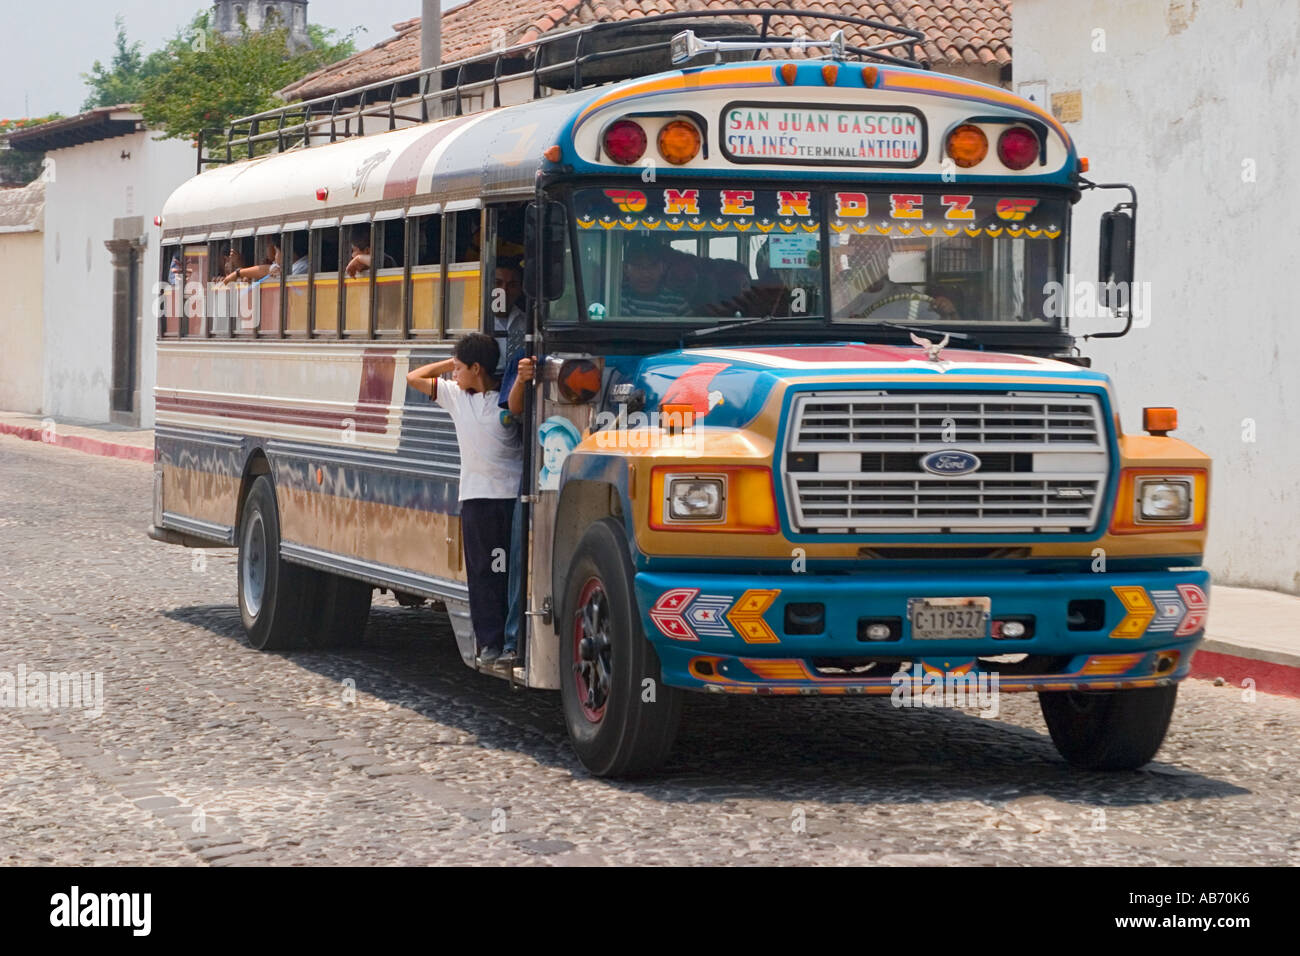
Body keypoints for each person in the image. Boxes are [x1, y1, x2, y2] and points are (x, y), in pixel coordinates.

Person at [406, 334, 522, 665]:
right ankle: (489, 643)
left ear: (477, 368)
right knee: (482, 572)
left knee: (509, 573)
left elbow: (517, 408)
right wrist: (451, 360)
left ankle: (512, 641)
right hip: (476, 499)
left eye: (459, 368)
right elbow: (414, 377)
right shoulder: (456, 397)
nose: (453, 374)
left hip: (509, 498)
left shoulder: (505, 397)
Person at [619, 237, 690, 317]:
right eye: (638, 266)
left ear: (663, 268)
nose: (645, 274)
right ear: (625, 268)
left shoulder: (677, 303)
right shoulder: (616, 298)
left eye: (652, 266)